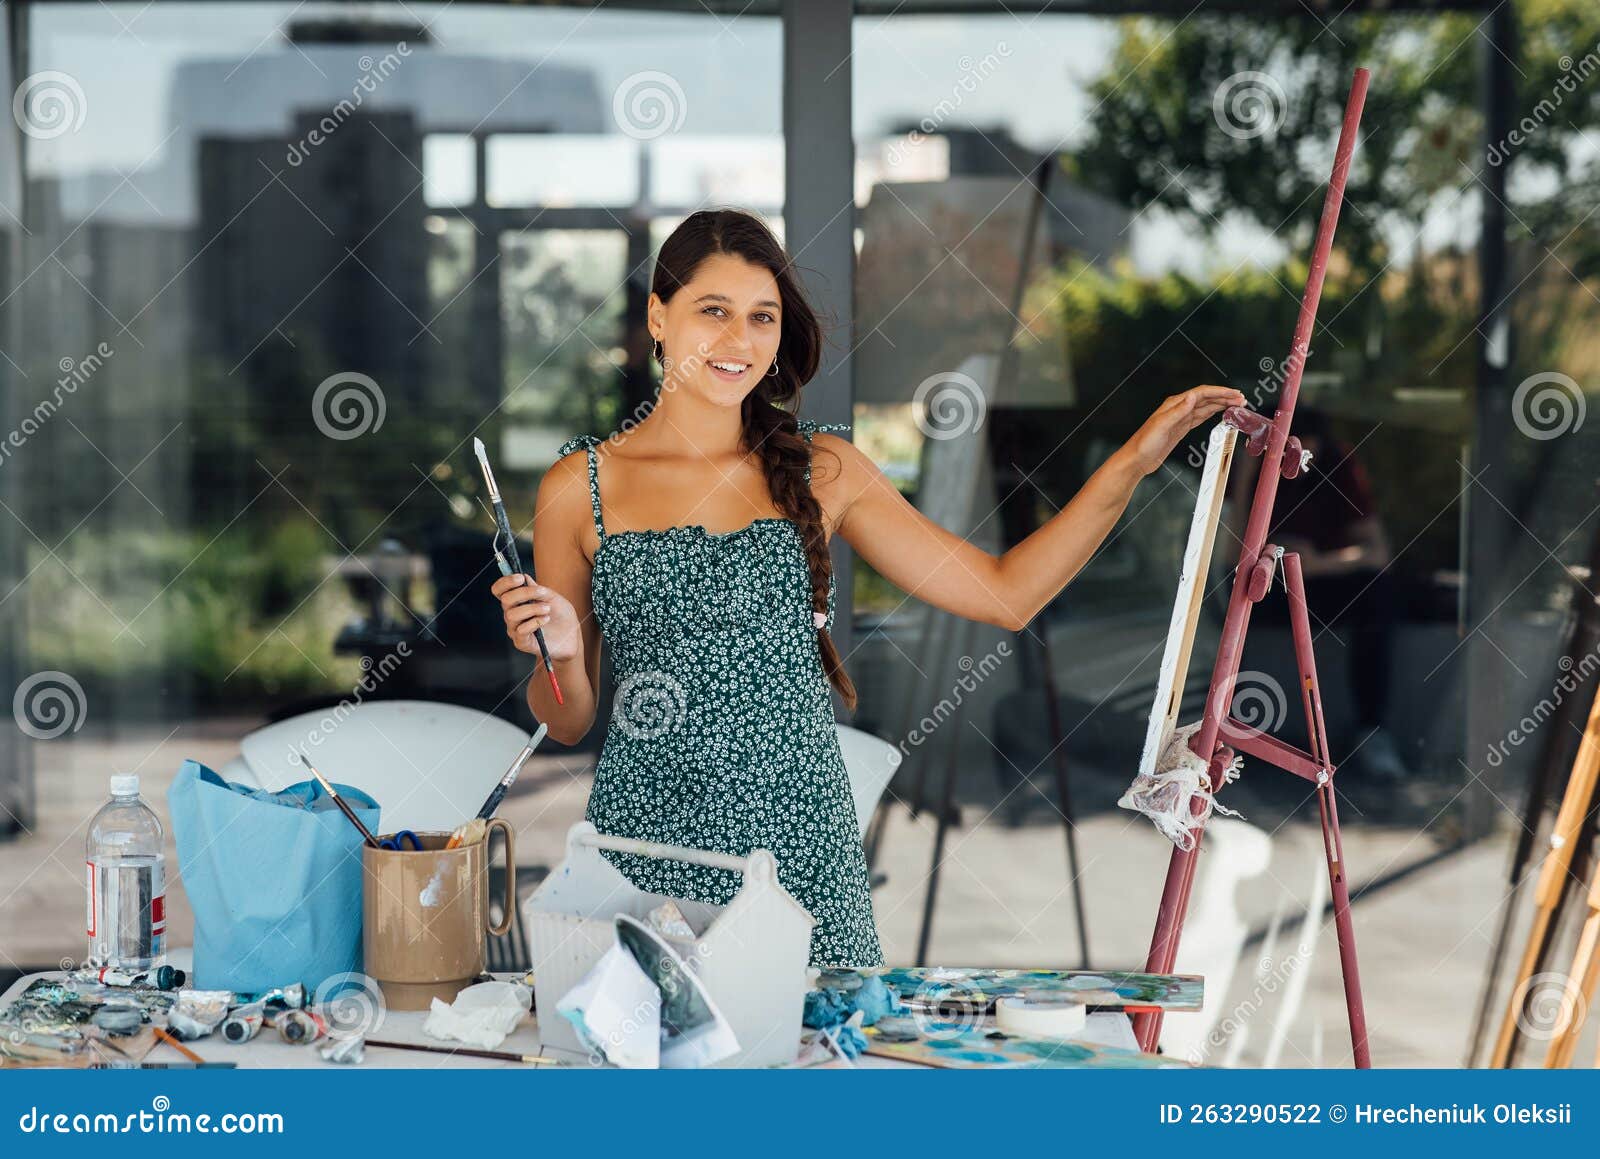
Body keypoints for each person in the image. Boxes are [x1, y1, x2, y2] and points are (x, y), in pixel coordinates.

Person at [492, 208, 1243, 967]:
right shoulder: (576, 488)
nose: (738, 340)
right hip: (640, 848)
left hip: (797, 860)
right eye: (711, 311)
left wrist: (1129, 468)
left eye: (762, 317)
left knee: (814, 1074)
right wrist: (555, 652)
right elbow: (565, 718)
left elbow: (1005, 593)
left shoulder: (826, 470)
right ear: (658, 317)